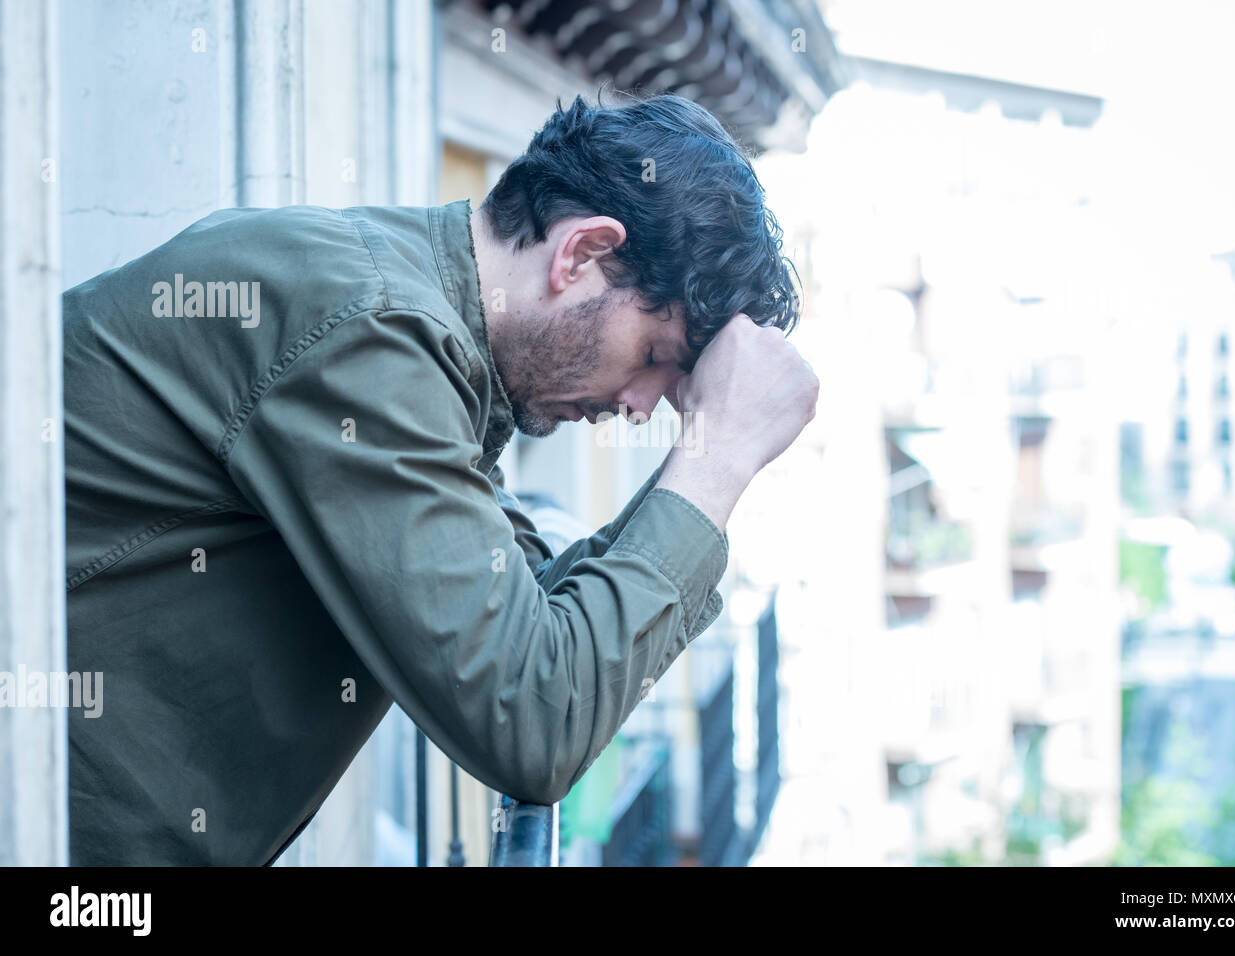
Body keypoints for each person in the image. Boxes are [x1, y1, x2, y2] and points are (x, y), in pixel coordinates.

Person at [62, 92, 818, 865]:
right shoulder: (371, 334)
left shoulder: (421, 337)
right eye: (656, 358)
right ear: (581, 254)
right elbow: (536, 719)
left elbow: (543, 619)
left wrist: (701, 450)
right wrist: (716, 456)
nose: (639, 406)